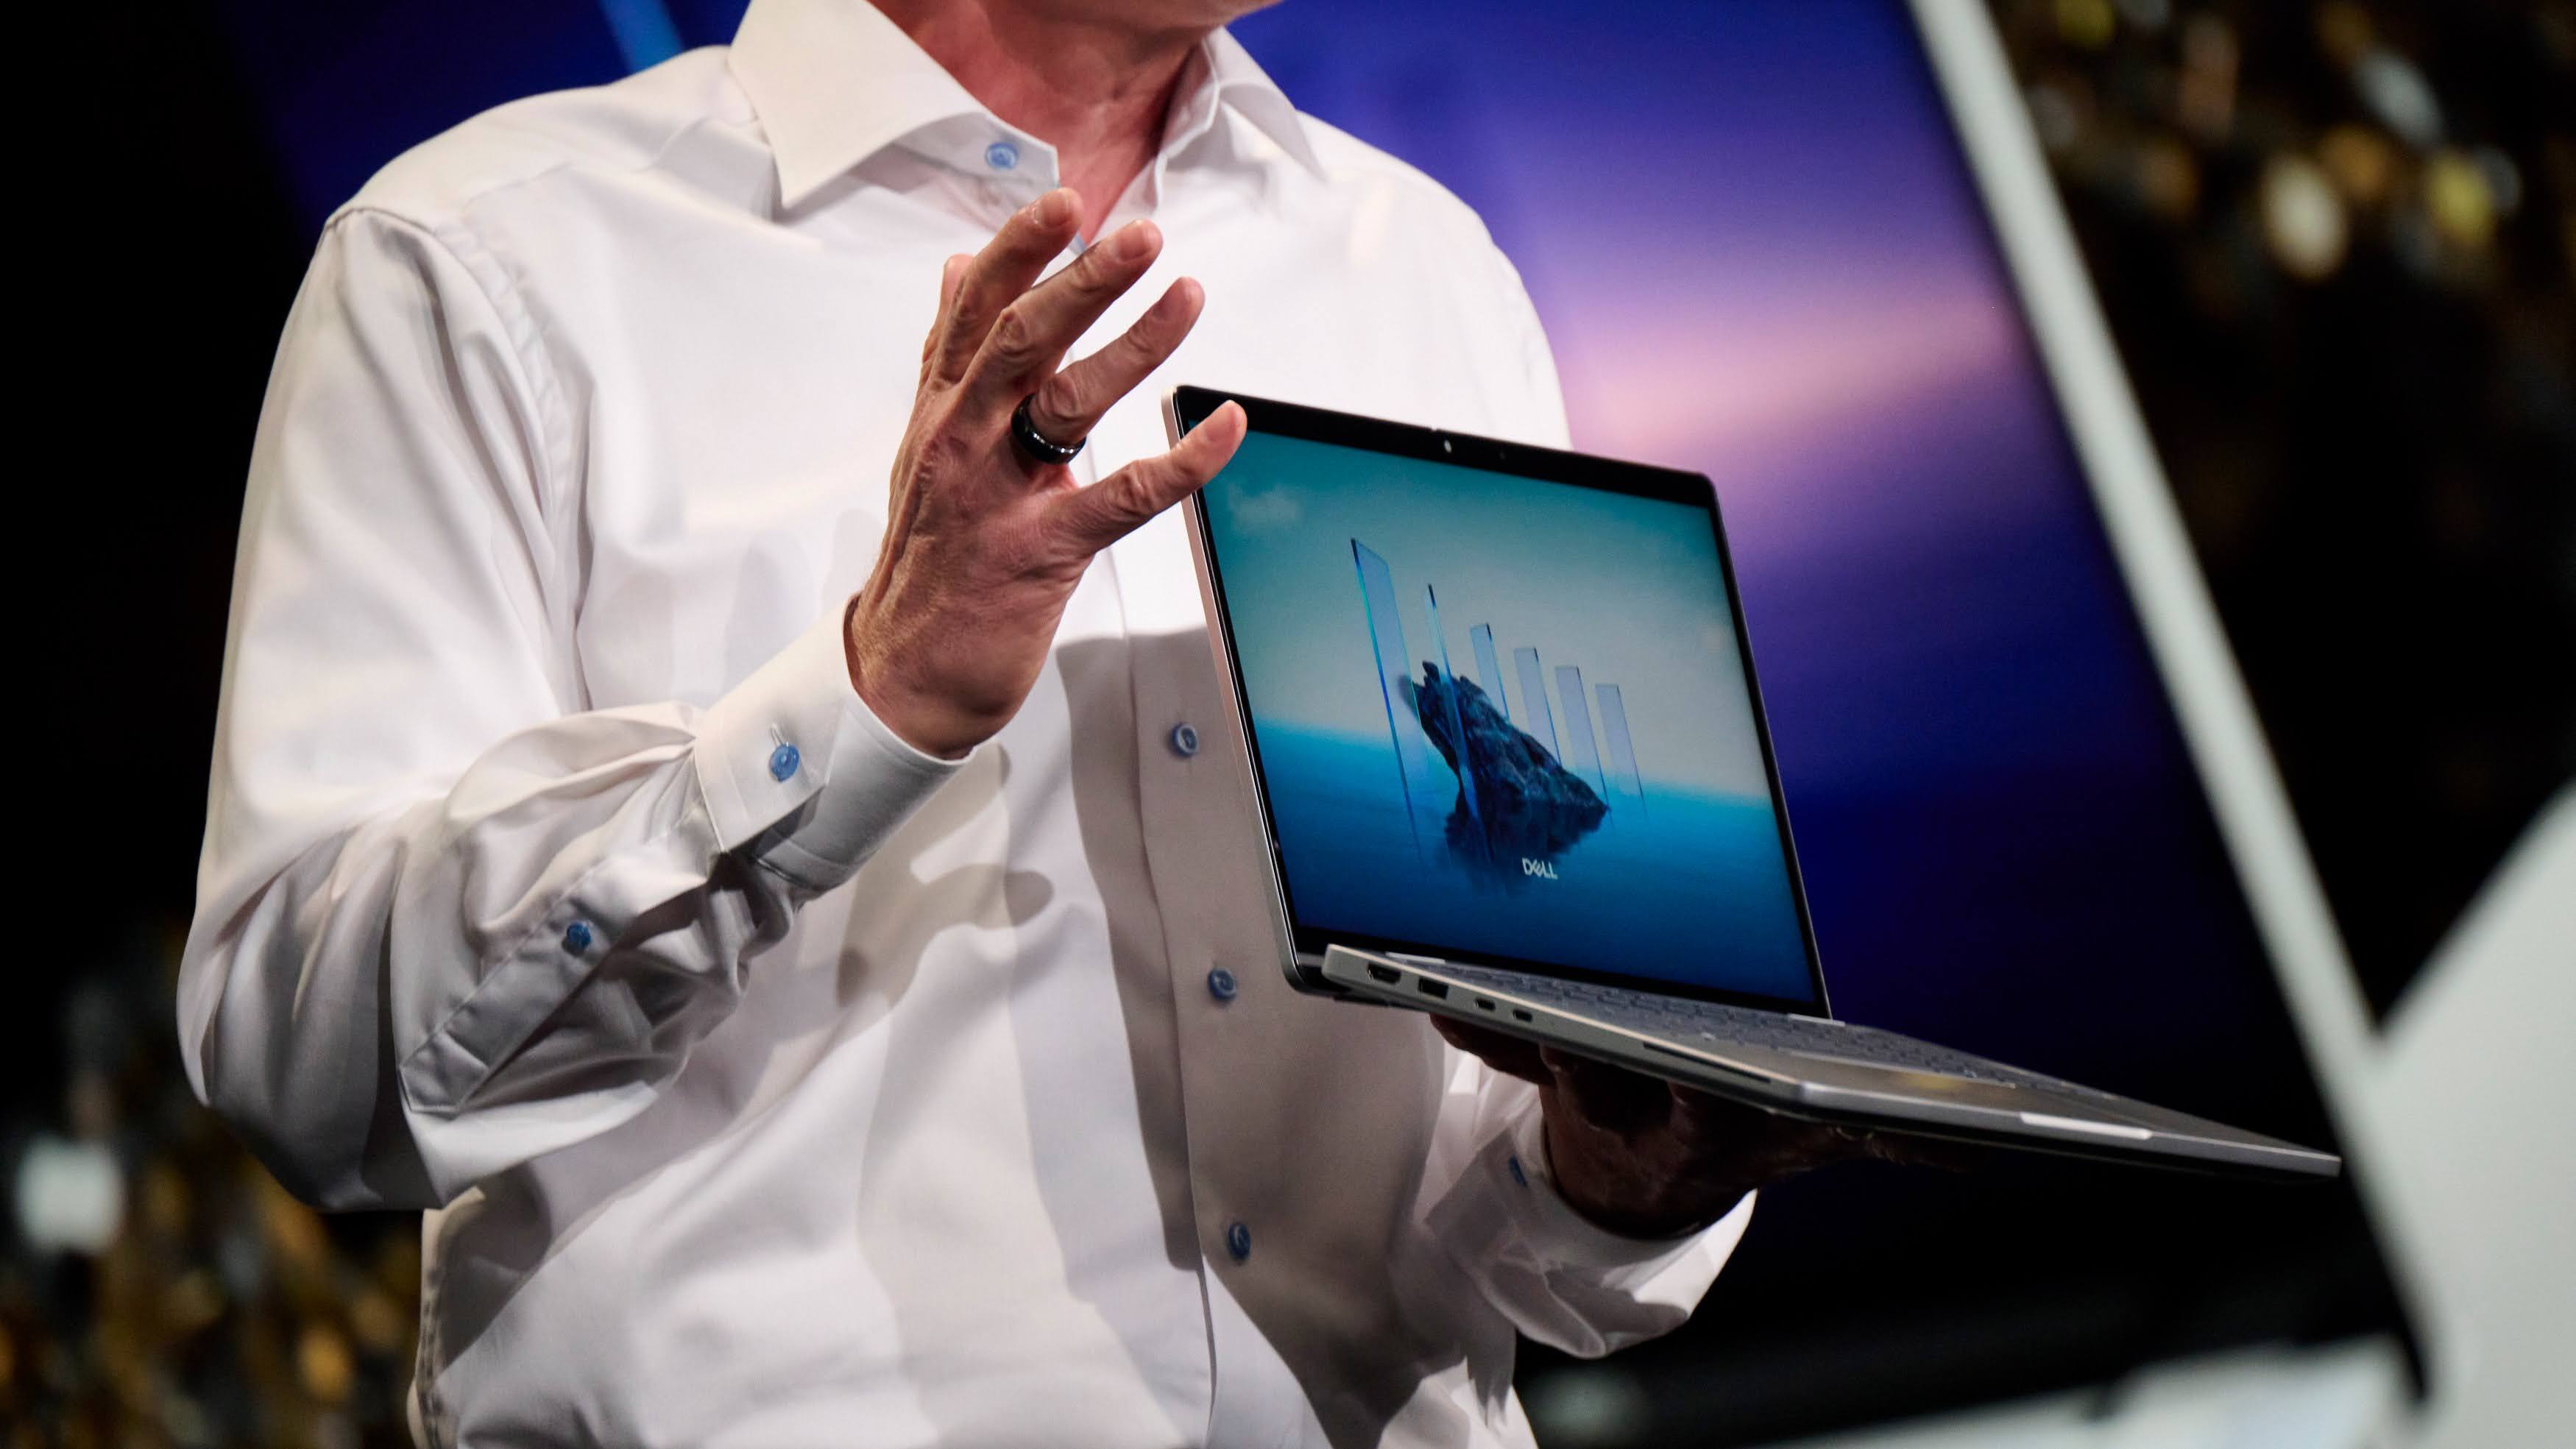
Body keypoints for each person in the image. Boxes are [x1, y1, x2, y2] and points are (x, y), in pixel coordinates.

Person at [183, 1, 1897, 1441]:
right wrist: (866, 698)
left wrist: (1621, 1159)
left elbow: (1498, 1235)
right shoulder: (495, 265)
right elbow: (313, 1067)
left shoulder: (1420, 269)